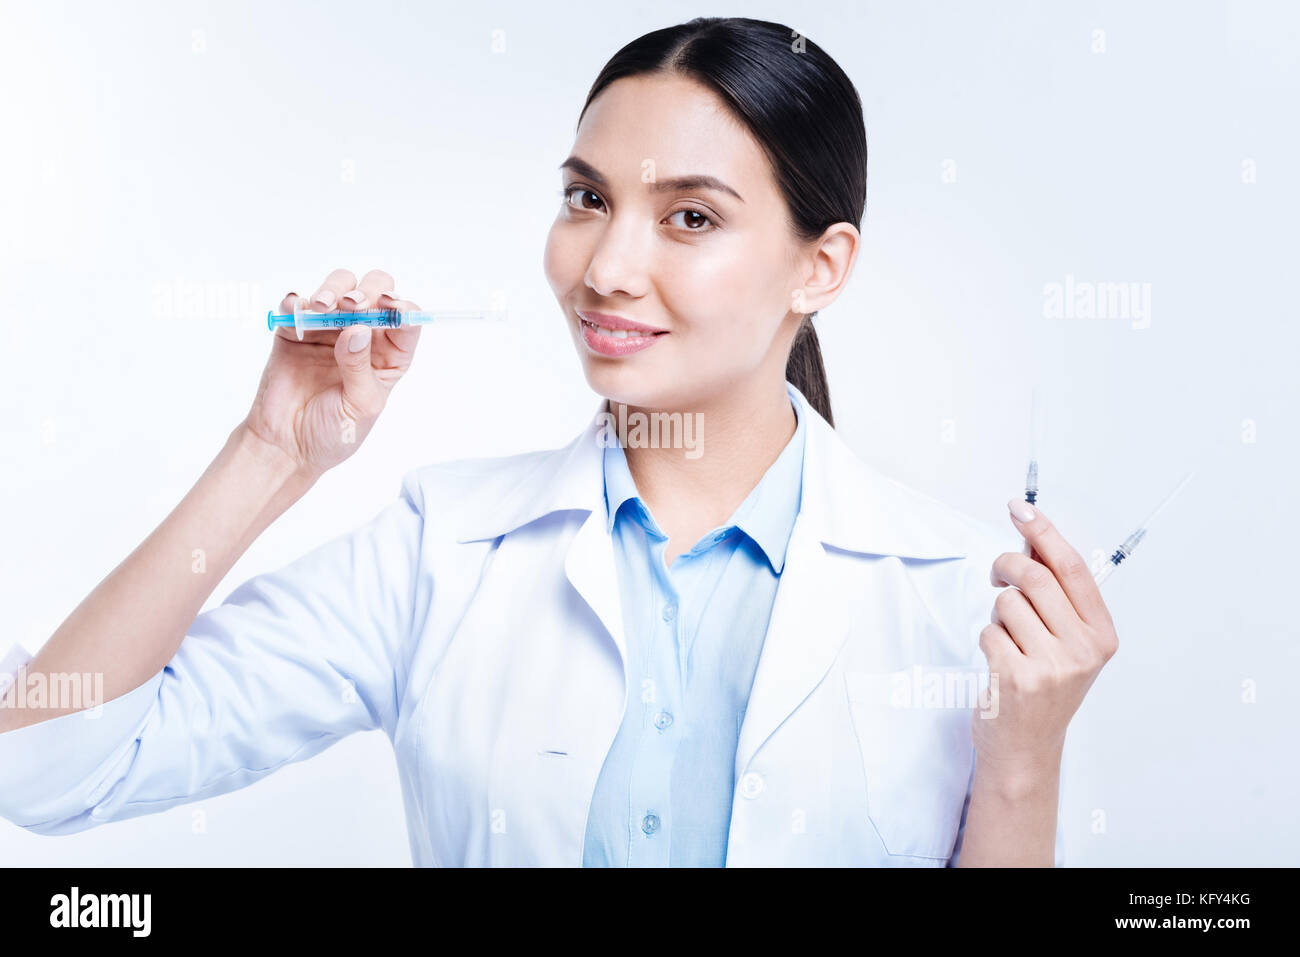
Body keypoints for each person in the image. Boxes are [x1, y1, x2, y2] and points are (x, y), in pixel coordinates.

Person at [0, 16, 1117, 867]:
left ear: (819, 266)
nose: (606, 269)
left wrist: (1024, 757)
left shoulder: (968, 601)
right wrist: (271, 449)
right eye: (587, 198)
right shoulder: (440, 552)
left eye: (690, 217)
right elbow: (45, 765)